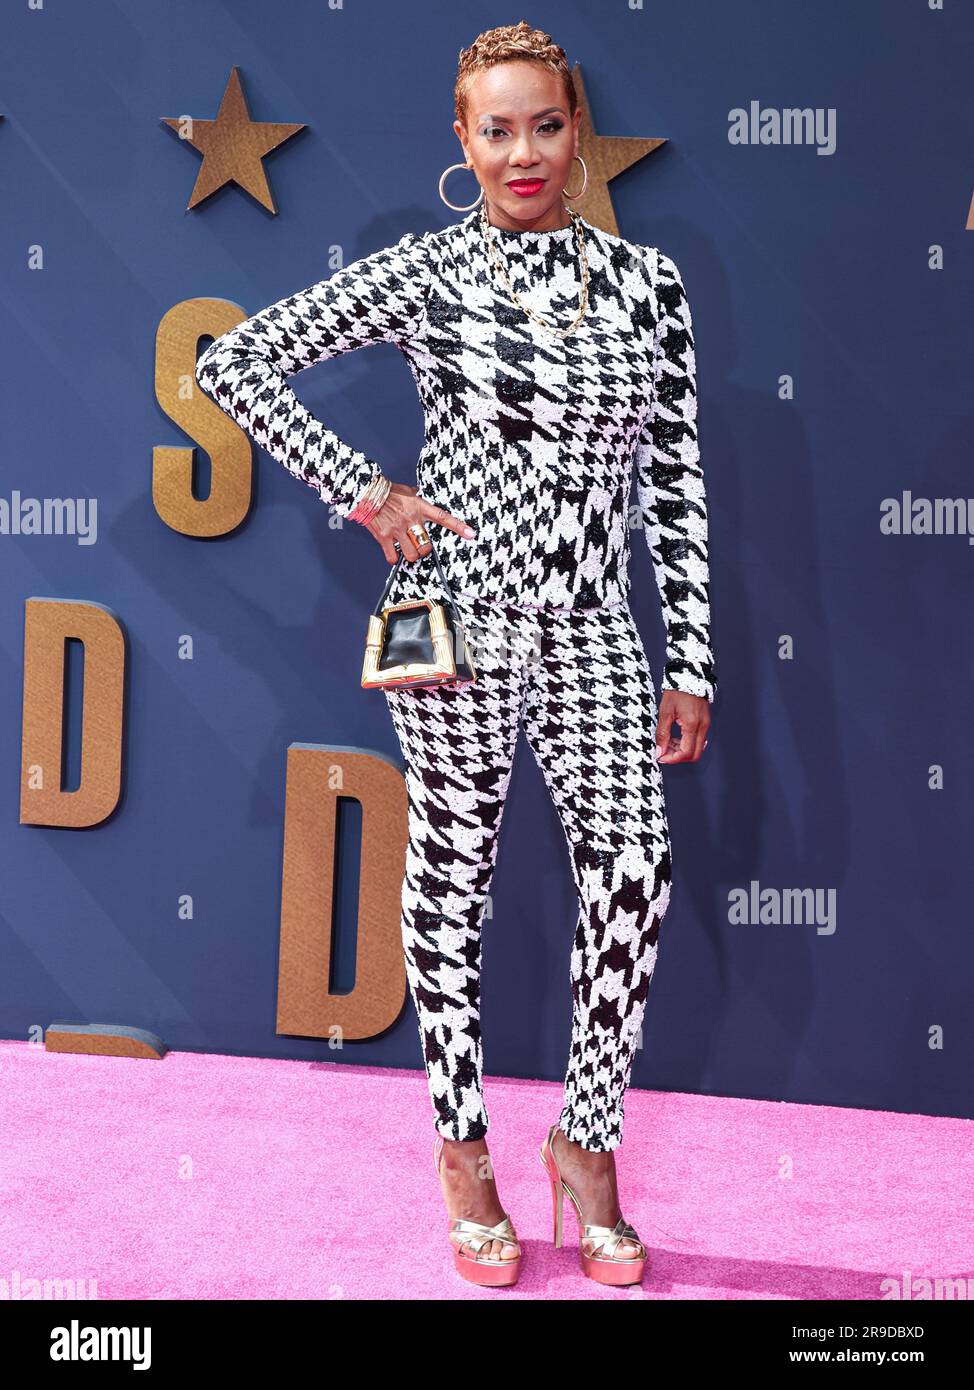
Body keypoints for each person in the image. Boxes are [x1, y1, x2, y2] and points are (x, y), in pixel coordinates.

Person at [195, 19, 715, 1289]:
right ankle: (463, 1149)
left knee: (635, 871)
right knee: (451, 880)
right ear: (461, 141)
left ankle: (585, 1144)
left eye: (544, 124)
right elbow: (232, 361)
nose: (522, 151)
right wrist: (365, 492)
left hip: (595, 624)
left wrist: (689, 652)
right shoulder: (429, 274)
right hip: (459, 624)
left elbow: (674, 479)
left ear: (575, 129)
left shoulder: (645, 284)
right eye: (496, 129)